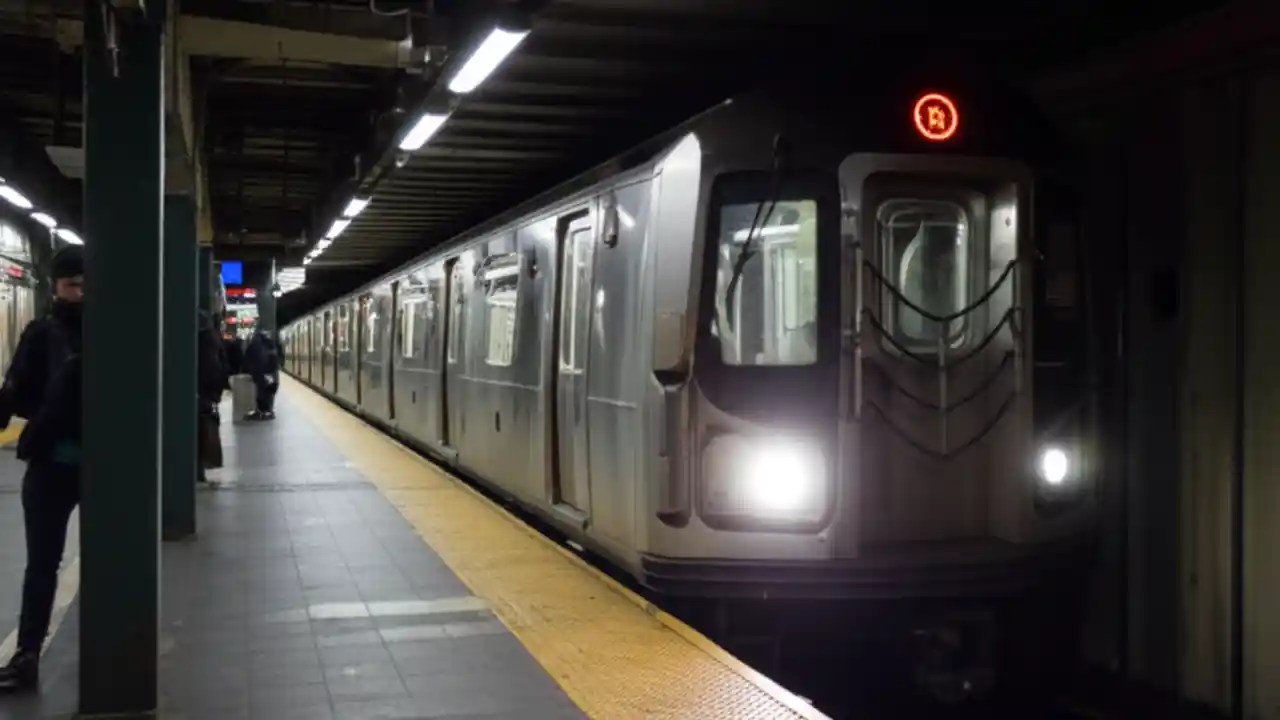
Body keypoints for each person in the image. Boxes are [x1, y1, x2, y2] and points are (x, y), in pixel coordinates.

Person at [0, 246, 84, 694]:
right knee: (42, 565)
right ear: (55, 286)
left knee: (109, 562)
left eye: (88, 285)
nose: (81, 293)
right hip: (52, 465)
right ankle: (27, 653)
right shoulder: (41, 333)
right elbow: (15, 390)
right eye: (73, 285)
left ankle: (107, 646)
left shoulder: (113, 329)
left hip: (101, 467)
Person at [197, 311, 229, 480]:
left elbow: (211, 369)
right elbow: (221, 367)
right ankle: (201, 468)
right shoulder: (213, 338)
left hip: (203, 394)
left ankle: (199, 470)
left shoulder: (205, 339)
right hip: (209, 394)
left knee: (201, 431)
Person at [243, 329, 279, 420]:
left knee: (262, 393)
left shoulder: (255, 344)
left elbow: (249, 359)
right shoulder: (269, 344)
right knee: (268, 393)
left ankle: (262, 412)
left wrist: (251, 372)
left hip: (263, 373)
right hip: (272, 374)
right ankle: (267, 411)